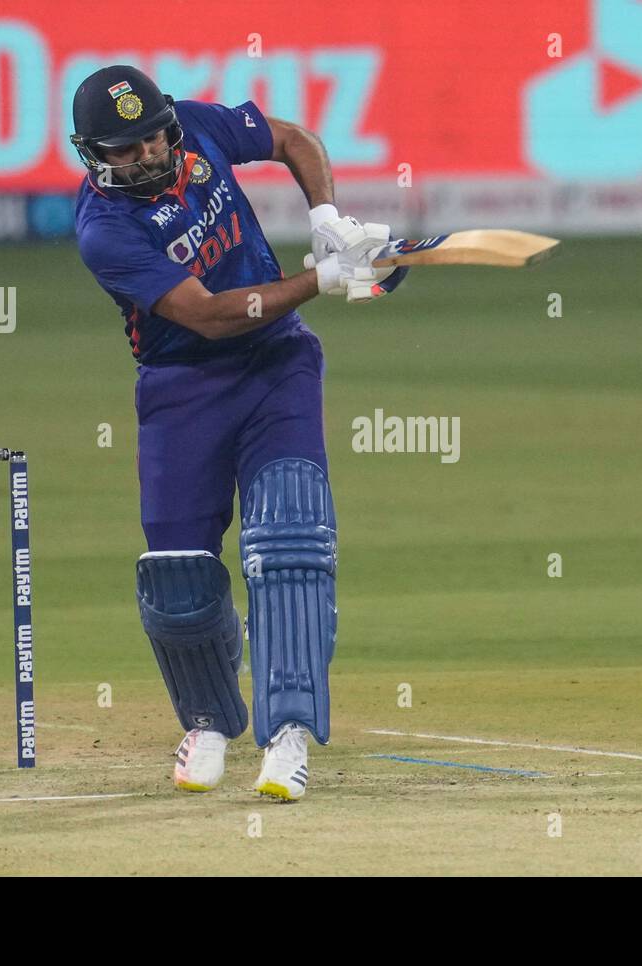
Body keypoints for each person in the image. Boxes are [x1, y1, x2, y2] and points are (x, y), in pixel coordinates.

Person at [70, 66, 406, 801]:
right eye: (125, 148)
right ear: (95, 155)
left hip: (277, 364)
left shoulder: (197, 128)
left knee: (290, 543)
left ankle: (288, 736)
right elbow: (210, 316)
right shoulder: (105, 230)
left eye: (153, 137)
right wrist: (322, 280)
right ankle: (208, 723)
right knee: (178, 575)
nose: (147, 154)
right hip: (181, 388)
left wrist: (327, 218)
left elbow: (293, 139)